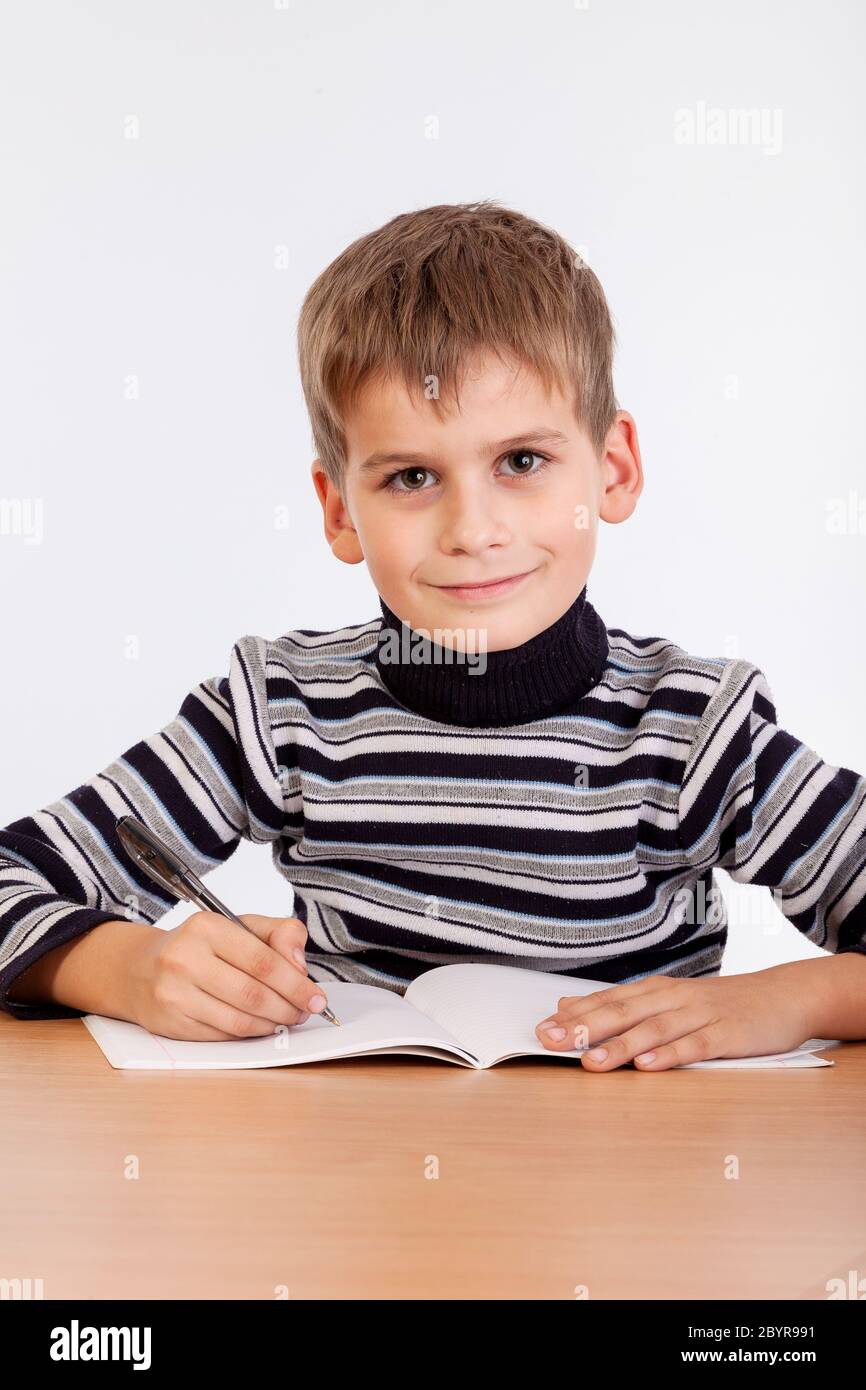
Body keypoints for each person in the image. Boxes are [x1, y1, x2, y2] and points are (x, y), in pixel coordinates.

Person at [3, 200, 865, 1070]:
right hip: (351, 1180)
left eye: (521, 462)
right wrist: (130, 967)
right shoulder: (279, 713)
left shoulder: (692, 732)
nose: (472, 529)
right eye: (412, 476)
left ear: (612, 467)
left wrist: (789, 998)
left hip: (626, 1186)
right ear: (340, 511)